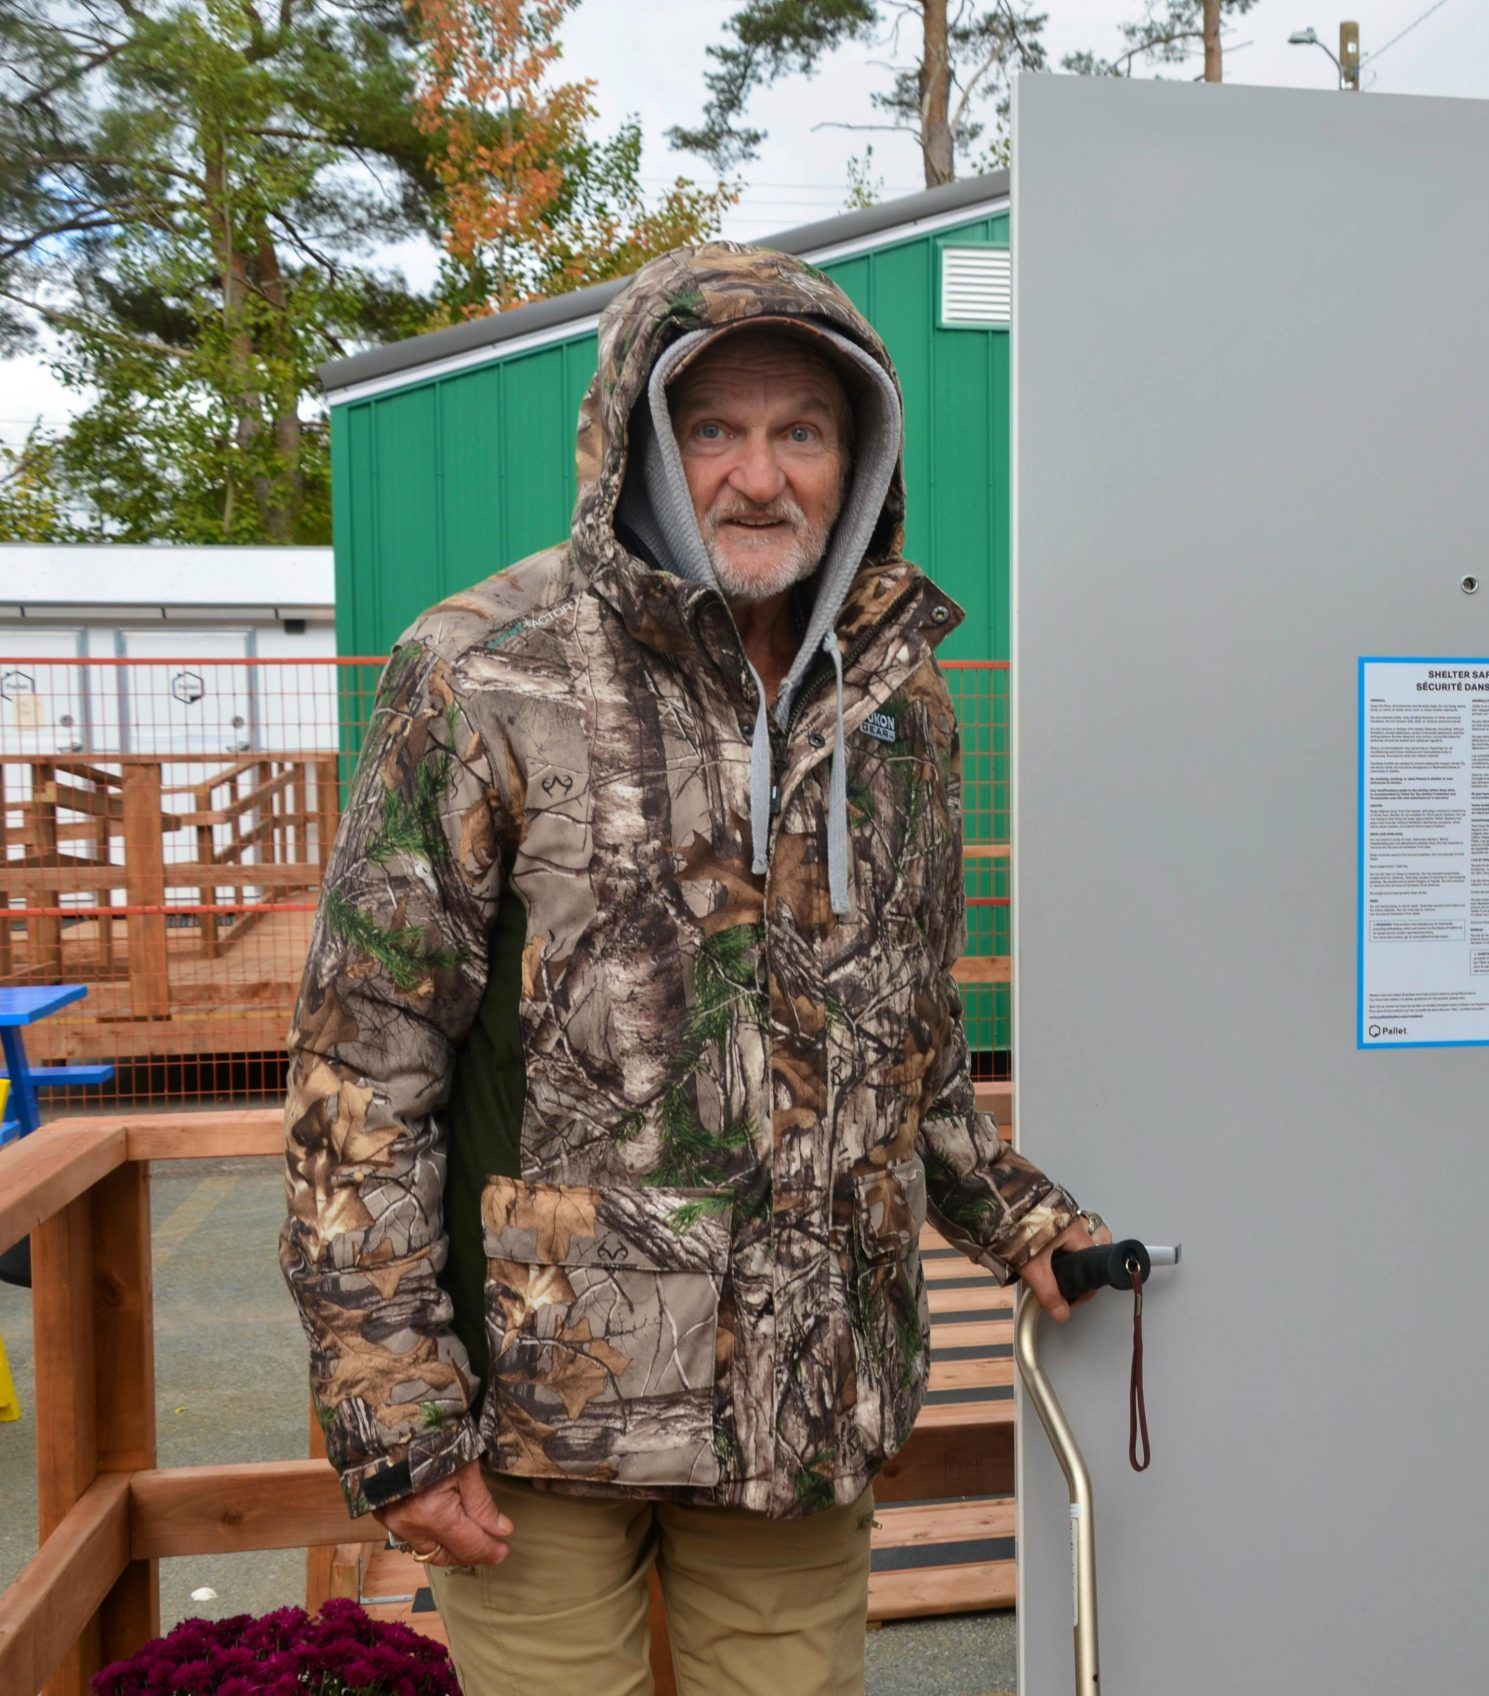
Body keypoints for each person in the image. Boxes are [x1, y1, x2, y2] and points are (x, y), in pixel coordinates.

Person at [279, 243, 1103, 1695]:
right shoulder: (486, 669)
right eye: (713, 427)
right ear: (635, 441)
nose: (758, 477)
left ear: (863, 460)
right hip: (544, 1410)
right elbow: (364, 1069)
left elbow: (908, 1040)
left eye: (804, 432)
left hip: (804, 1396)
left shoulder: (898, 701)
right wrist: (395, 1410)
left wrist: (1020, 1218)